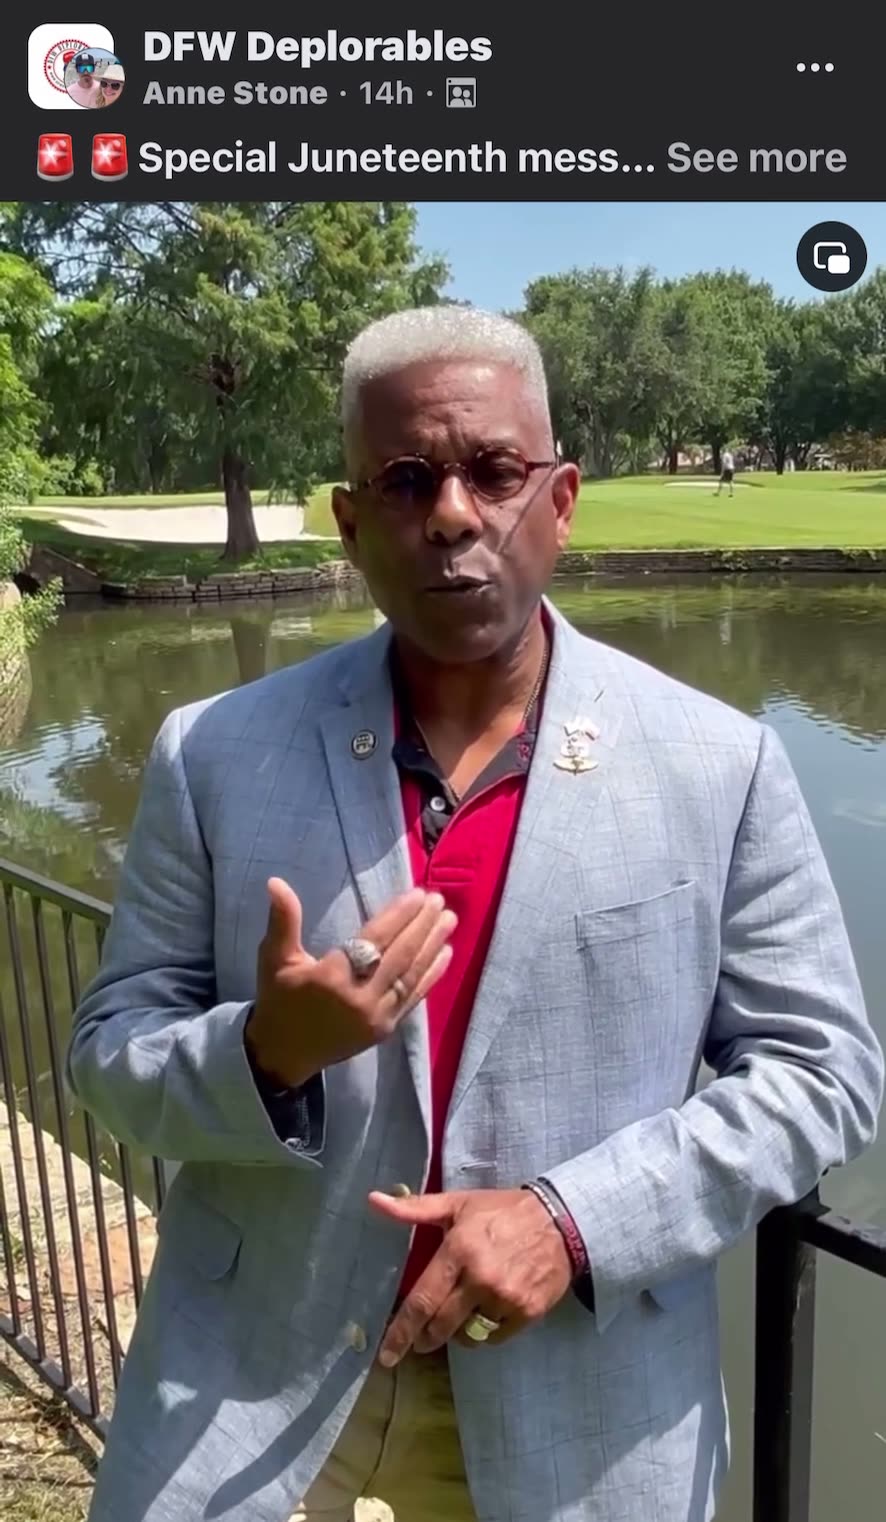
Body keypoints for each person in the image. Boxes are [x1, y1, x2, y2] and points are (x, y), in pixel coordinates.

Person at [66, 307, 883, 1522]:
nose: (453, 512)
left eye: (493, 471)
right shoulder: (215, 751)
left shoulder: (722, 764)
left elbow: (822, 1076)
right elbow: (109, 1055)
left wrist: (574, 1221)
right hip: (251, 1385)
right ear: (350, 524)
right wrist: (265, 1052)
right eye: (406, 478)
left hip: (576, 1404)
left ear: (558, 499)